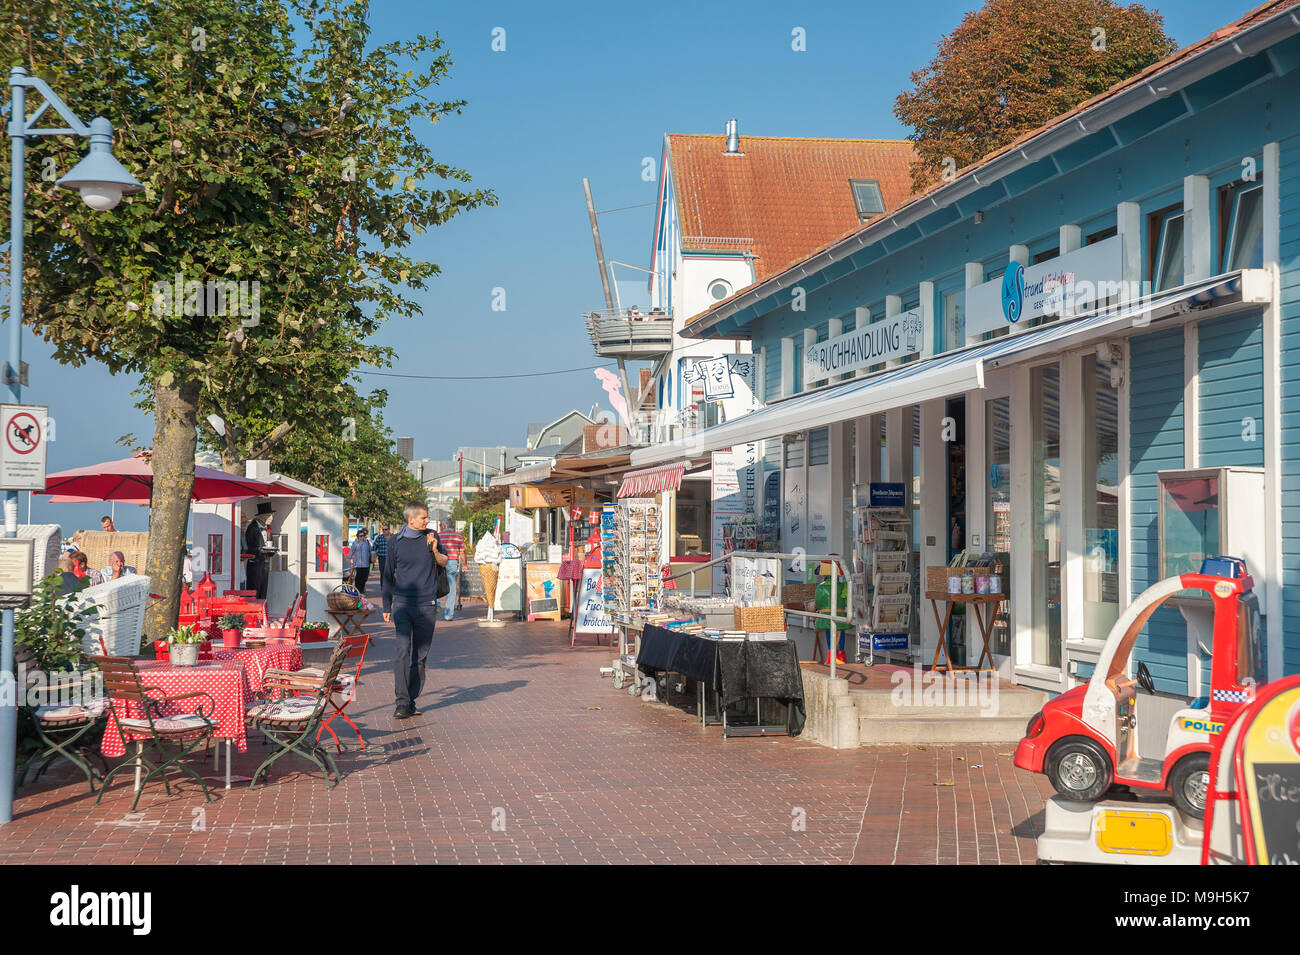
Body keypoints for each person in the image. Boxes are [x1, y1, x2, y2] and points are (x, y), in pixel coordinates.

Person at [382, 501, 448, 720]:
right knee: (402, 652)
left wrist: (435, 550)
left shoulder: (432, 536)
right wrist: (386, 605)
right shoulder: (395, 542)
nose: (427, 520)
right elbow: (388, 574)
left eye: (427, 517)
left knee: (420, 657)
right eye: (424, 517)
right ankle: (401, 703)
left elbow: (444, 562)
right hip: (401, 604)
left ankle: (410, 700)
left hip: (427, 605)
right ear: (411, 519)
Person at [244, 502, 277, 600]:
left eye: (272, 516)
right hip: (254, 564)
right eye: (269, 516)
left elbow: (270, 544)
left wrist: (271, 552)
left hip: (265, 564)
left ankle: (261, 612)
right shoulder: (252, 528)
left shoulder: (268, 528)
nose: (271, 518)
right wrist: (259, 551)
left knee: (263, 591)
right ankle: (254, 613)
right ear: (262, 517)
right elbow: (247, 548)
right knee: (254, 591)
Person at [437, 520, 465, 621]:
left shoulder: (438, 536)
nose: (440, 527)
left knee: (437, 584)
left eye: (440, 525)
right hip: (452, 562)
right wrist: (465, 565)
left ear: (444, 525)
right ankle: (448, 615)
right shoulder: (457, 536)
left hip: (440, 562)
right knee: (452, 589)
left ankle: (436, 604)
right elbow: (462, 552)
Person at [350, 527, 372, 594]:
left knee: (364, 579)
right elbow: (351, 552)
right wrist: (349, 560)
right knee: (358, 579)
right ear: (358, 536)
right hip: (358, 564)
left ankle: (361, 590)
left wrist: (372, 557)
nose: (362, 537)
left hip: (366, 564)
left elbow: (371, 550)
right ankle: (358, 592)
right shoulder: (355, 543)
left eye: (363, 536)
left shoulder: (367, 542)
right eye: (361, 536)